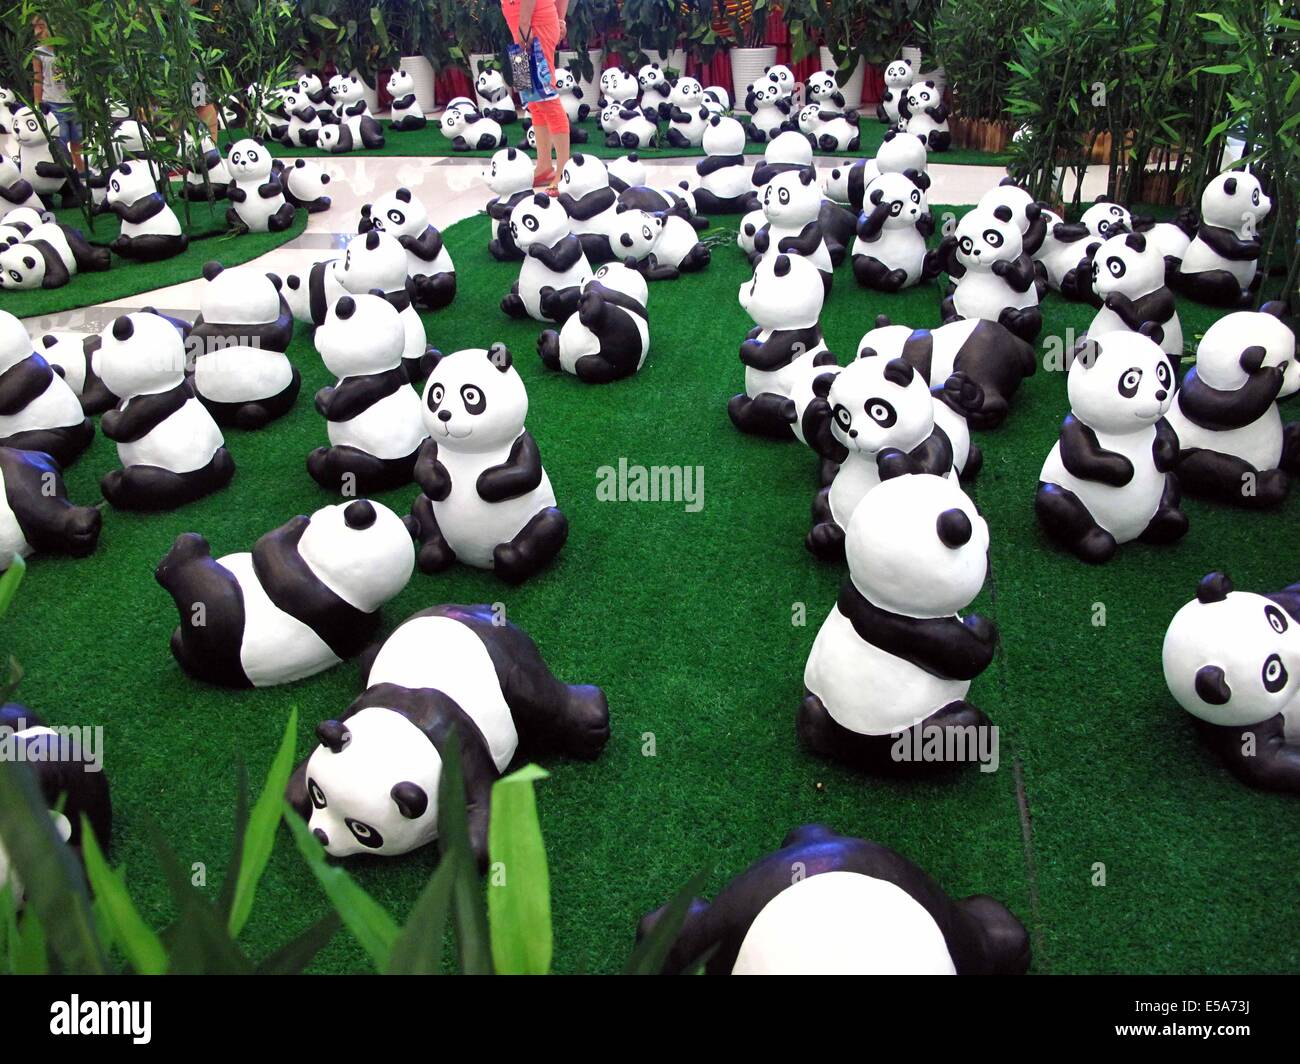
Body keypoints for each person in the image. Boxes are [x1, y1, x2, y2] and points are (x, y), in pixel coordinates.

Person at [502, 0, 570, 196]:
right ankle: (544, 166)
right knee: (535, 99)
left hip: (532, 23)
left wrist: (524, 26)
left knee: (546, 97)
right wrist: (560, 19)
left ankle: (564, 171)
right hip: (525, 22)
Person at [31, 15, 83, 171]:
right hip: (53, 103)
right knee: (59, 140)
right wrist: (37, 103)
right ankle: (64, 171)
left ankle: (80, 170)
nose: (37, 31)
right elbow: (37, 77)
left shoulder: (71, 49)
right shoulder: (38, 53)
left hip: (74, 101)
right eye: (35, 27)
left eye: (41, 26)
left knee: (78, 140)